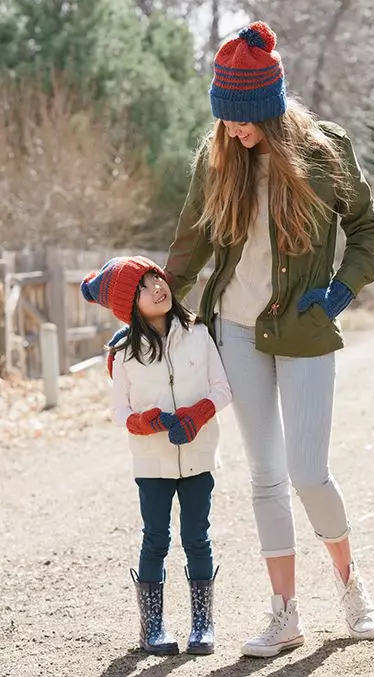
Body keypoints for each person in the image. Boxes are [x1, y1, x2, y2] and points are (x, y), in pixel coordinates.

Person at [165, 21, 374, 658]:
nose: (233, 129)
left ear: (270, 104)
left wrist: (342, 290)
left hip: (306, 329)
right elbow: (190, 244)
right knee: (264, 476)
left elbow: (366, 229)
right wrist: (145, 311)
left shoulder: (325, 151)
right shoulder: (216, 159)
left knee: (308, 472)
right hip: (235, 329)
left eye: (243, 118)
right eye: (225, 117)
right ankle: (284, 613)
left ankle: (351, 585)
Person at [80, 256, 231, 656]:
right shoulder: (124, 353)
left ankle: (202, 624)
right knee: (155, 540)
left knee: (198, 538)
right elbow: (118, 412)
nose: (156, 288)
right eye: (143, 287)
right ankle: (153, 627)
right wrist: (147, 423)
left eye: (156, 278)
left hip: (198, 456)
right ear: (130, 304)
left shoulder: (198, 333)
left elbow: (222, 389)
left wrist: (198, 414)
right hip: (151, 463)